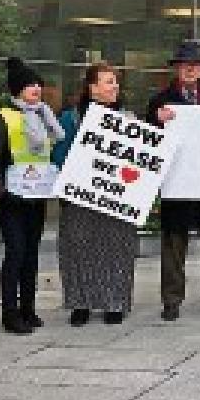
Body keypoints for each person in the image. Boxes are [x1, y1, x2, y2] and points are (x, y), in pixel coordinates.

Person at [0, 58, 64, 334]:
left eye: (38, 84)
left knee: (31, 255)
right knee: (15, 253)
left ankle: (28, 308)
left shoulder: (44, 116)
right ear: (17, 90)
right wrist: (1, 191)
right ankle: (10, 313)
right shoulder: (2, 117)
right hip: (12, 199)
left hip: (36, 197)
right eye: (30, 85)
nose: (36, 89)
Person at [147, 40, 200, 321]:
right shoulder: (159, 101)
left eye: (195, 65)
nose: (191, 69)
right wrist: (156, 120)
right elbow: (147, 139)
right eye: (186, 65)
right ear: (178, 68)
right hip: (177, 181)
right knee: (173, 244)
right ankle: (172, 300)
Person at [53, 63, 137, 326]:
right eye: (108, 81)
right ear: (92, 87)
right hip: (79, 196)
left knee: (116, 247)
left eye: (115, 81)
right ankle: (81, 303)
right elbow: (58, 153)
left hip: (115, 197)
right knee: (78, 247)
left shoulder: (128, 118)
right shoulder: (70, 118)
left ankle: (115, 302)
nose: (114, 86)